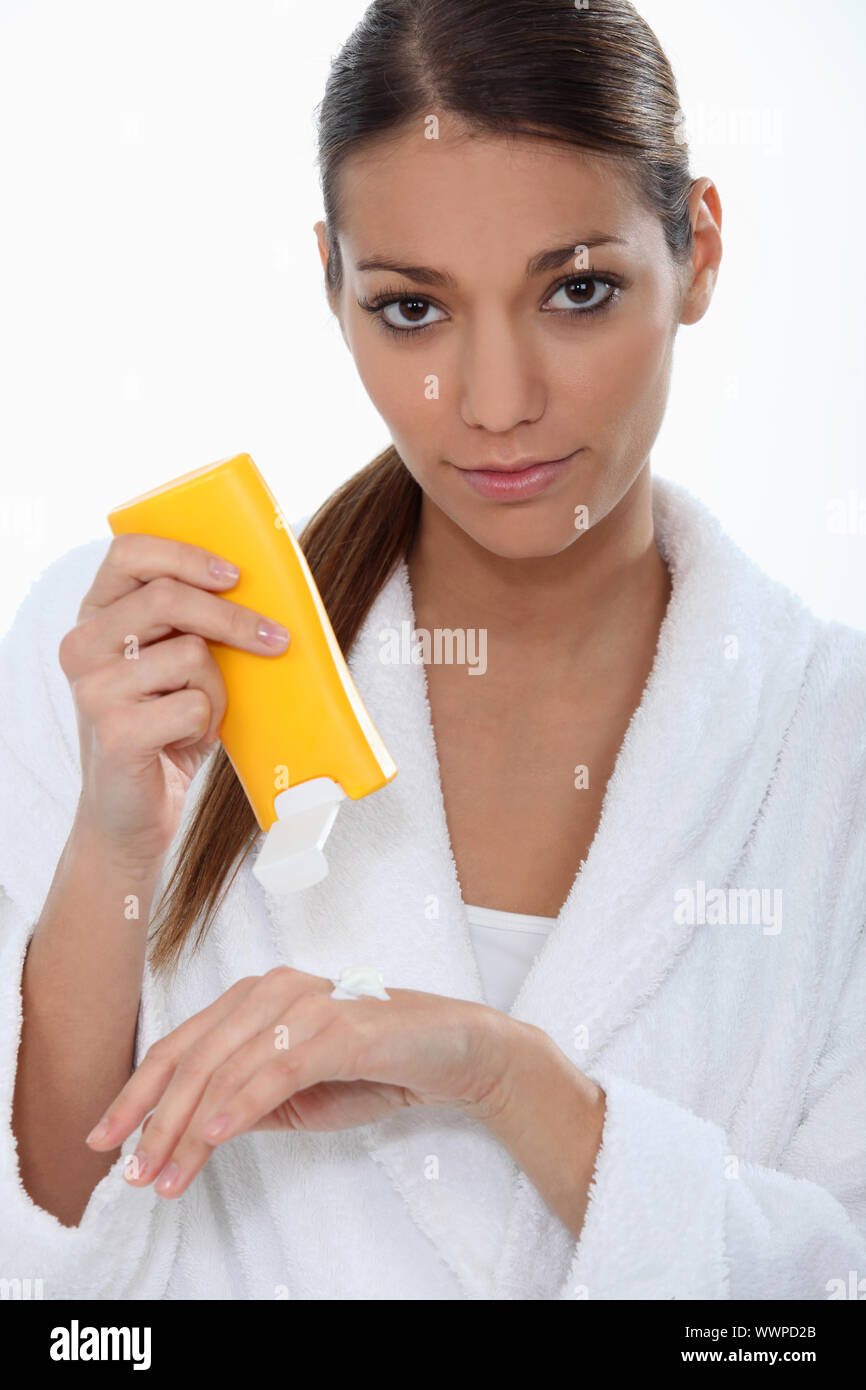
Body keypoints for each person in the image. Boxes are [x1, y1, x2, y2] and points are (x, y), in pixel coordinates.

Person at [2, 0, 864, 1301]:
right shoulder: (138, 661)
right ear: (330, 283)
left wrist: (502, 1072)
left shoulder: (831, 747)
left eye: (576, 291)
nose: (495, 401)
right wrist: (113, 853)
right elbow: (52, 1267)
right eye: (411, 311)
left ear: (696, 250)